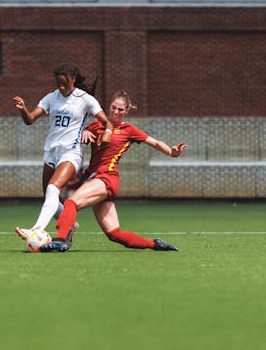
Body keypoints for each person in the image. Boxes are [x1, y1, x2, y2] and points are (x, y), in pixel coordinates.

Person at [41, 90, 186, 253]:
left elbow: (155, 142)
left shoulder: (129, 130)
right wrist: (84, 132)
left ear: (126, 111)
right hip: (94, 179)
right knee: (114, 234)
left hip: (106, 178)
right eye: (113, 108)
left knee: (70, 203)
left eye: (120, 109)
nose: (116, 112)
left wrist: (171, 152)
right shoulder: (97, 125)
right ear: (108, 107)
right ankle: (155, 244)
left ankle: (60, 240)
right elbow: (75, 134)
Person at [13, 63, 112, 241]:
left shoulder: (85, 99)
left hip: (71, 152)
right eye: (58, 84)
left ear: (73, 79)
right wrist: (23, 110)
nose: (61, 87)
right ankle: (69, 225)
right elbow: (30, 120)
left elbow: (107, 122)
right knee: (49, 196)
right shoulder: (51, 98)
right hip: (51, 152)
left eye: (64, 84)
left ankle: (36, 230)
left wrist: (107, 133)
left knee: (52, 188)